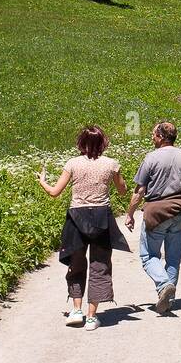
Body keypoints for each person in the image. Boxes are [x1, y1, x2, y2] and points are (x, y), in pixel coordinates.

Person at [38, 125, 130, 331]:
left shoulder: (72, 163)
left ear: (81, 142)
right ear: (103, 143)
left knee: (77, 264)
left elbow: (54, 192)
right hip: (101, 218)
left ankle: (76, 310)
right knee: (100, 266)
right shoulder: (111, 164)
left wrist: (43, 182)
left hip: (76, 218)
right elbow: (123, 191)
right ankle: (91, 317)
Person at [125, 120, 181, 314]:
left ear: (160, 137)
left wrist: (130, 214)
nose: (151, 137)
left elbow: (139, 191)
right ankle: (168, 300)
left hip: (156, 213)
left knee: (148, 256)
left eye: (153, 134)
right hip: (179, 211)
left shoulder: (151, 158)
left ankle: (164, 286)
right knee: (173, 258)